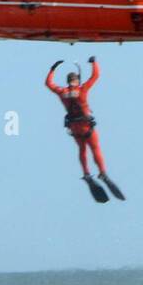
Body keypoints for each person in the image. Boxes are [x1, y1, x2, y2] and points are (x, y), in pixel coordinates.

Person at [45, 57, 123, 199]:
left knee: (82, 150)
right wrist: (94, 62)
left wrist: (53, 69)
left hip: (75, 129)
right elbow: (95, 76)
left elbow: (48, 83)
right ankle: (102, 173)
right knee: (95, 149)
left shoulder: (62, 92)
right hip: (86, 126)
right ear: (76, 81)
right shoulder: (82, 89)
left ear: (68, 81)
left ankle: (86, 173)